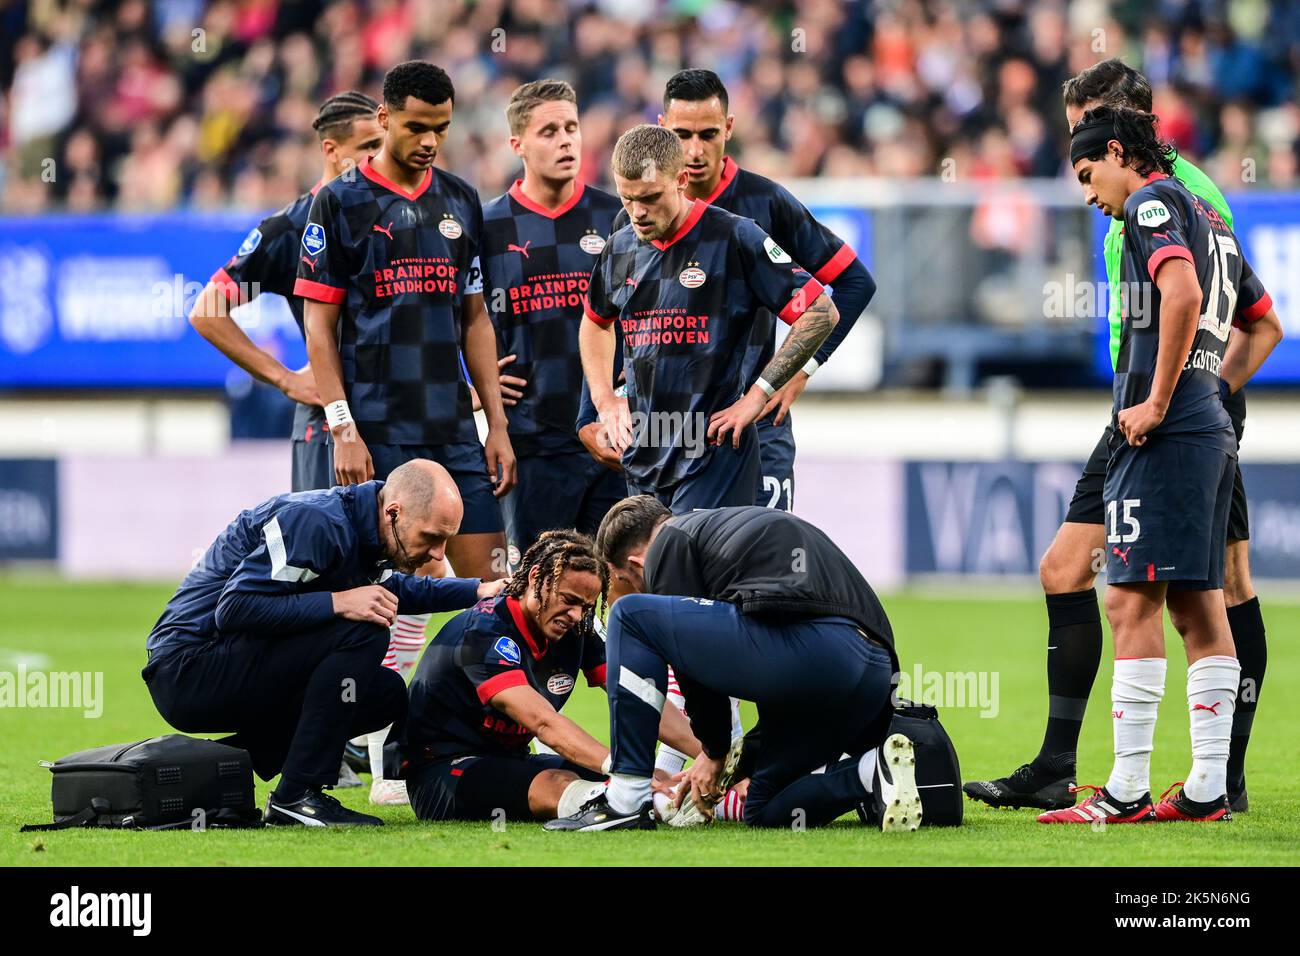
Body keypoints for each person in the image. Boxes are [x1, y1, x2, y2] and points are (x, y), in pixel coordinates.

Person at [967, 59, 1278, 814]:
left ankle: (1167, 784)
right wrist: (1202, 390)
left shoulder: (1163, 201)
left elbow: (1186, 293)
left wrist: (1173, 395)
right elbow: (1259, 317)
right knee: (1133, 584)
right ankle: (1184, 781)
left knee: (1160, 596)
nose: (1081, 179)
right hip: (1167, 408)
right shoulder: (1186, 211)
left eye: (1087, 153)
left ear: (1124, 133)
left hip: (1162, 414)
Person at [296, 61, 516, 803]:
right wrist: (342, 425)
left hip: (454, 426)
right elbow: (319, 327)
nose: (429, 141)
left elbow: (475, 318)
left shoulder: (460, 202)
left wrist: (495, 422)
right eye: (417, 126)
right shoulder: (339, 203)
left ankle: (459, 737)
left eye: (441, 129)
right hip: (379, 431)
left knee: (489, 585)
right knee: (390, 594)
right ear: (383, 119)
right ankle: (379, 756)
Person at [142, 460, 504, 827]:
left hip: (228, 664)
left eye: (446, 540)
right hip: (187, 670)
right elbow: (234, 608)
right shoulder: (317, 522)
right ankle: (298, 795)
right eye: (430, 537)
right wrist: (340, 602)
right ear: (394, 512)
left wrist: (478, 589)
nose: (439, 554)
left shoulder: (367, 526)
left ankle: (216, 767)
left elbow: (394, 590)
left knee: (384, 694)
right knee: (364, 627)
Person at [577, 69, 876, 513]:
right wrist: (597, 410)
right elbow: (609, 316)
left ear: (729, 129)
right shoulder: (636, 220)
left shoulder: (761, 207)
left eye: (708, 134)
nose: (694, 151)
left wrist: (801, 370)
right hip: (661, 433)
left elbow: (852, 285)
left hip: (744, 427)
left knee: (751, 566)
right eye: (682, 135)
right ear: (662, 131)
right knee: (656, 570)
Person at [546, 497, 921, 832]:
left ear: (633, 563)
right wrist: (737, 763)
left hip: (818, 653)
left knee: (630, 615)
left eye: (627, 582)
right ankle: (873, 770)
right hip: (872, 677)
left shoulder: (672, 541)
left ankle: (626, 799)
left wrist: (713, 751)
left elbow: (696, 670)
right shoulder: (726, 531)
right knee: (763, 808)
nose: (642, 592)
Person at [403, 529, 698, 822]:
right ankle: (649, 809)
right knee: (558, 783)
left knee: (654, 775)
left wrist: (710, 756)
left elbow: (638, 696)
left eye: (586, 606)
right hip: (441, 773)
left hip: (509, 760)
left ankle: (684, 802)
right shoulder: (485, 630)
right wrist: (627, 769)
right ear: (535, 578)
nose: (576, 615)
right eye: (568, 599)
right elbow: (543, 722)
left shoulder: (577, 629)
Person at [189, 91, 382, 495]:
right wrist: (283, 379)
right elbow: (207, 311)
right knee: (331, 551)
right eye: (368, 147)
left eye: (384, 145)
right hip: (328, 423)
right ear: (331, 150)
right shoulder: (288, 230)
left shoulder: (397, 218)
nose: (379, 158)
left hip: (399, 416)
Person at [476, 80, 626, 560]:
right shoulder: (487, 227)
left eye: (571, 127)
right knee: (540, 589)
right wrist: (473, 387)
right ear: (517, 144)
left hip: (614, 439)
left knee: (626, 582)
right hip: (533, 444)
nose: (566, 140)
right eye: (549, 132)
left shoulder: (618, 216)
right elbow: (455, 320)